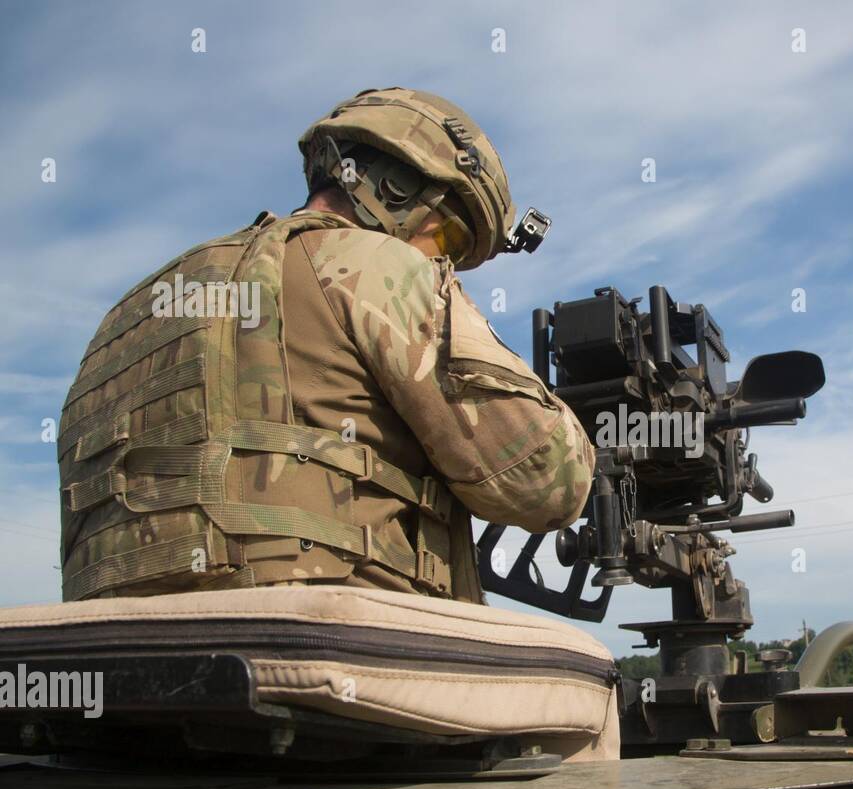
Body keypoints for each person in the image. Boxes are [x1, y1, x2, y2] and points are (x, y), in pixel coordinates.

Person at [58, 88, 593, 604]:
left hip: (116, 650)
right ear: (396, 190)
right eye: (449, 239)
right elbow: (547, 482)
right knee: (581, 682)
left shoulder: (132, 311)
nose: (442, 263)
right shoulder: (370, 264)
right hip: (328, 648)